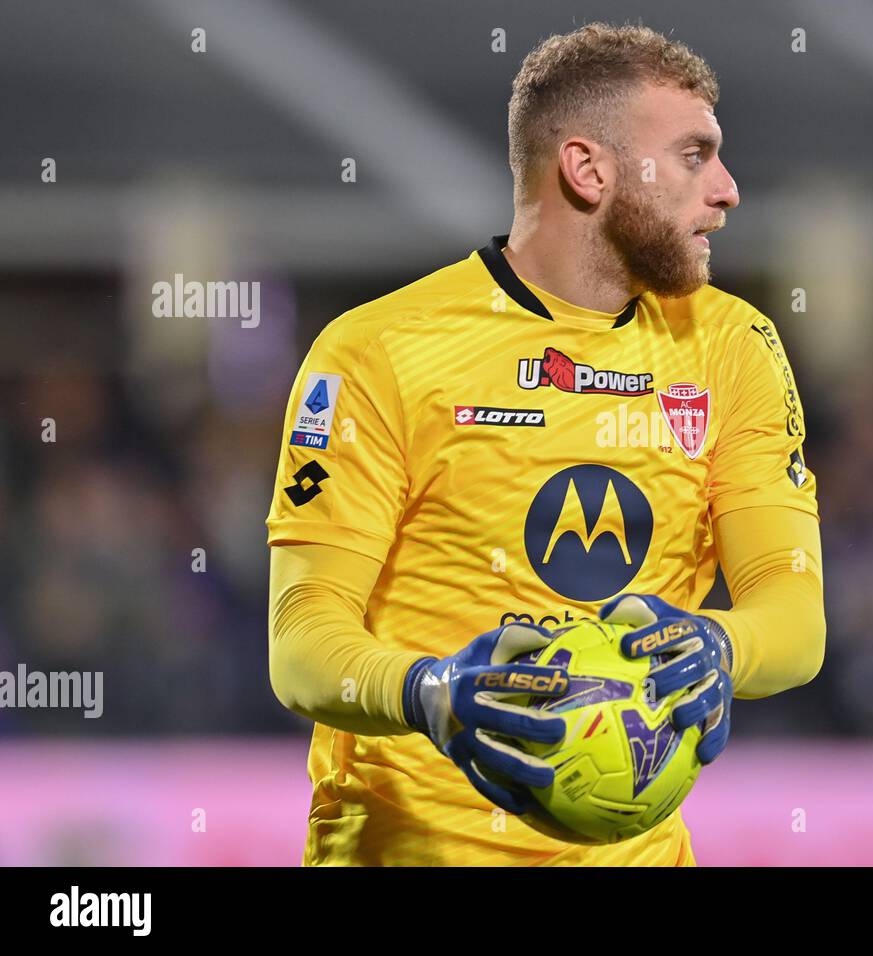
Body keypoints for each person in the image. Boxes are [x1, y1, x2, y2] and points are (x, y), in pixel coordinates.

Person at [266, 21, 824, 866]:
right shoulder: (377, 351)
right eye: (693, 154)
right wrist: (428, 692)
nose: (728, 189)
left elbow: (795, 617)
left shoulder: (732, 346)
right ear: (588, 169)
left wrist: (723, 645)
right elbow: (301, 642)